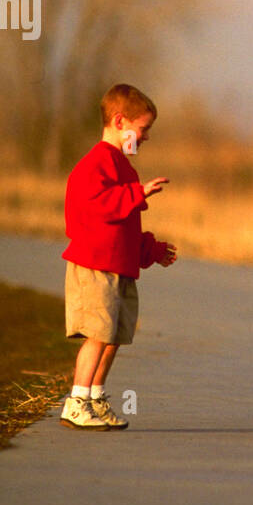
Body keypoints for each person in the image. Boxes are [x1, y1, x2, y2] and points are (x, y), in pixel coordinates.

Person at [60, 84, 177, 431]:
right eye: (142, 129)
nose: (145, 137)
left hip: (118, 268)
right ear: (119, 120)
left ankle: (95, 398)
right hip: (95, 268)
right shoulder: (94, 164)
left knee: (112, 338)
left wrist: (150, 250)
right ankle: (76, 402)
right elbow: (95, 209)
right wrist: (136, 193)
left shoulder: (125, 169)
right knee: (97, 334)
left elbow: (122, 226)